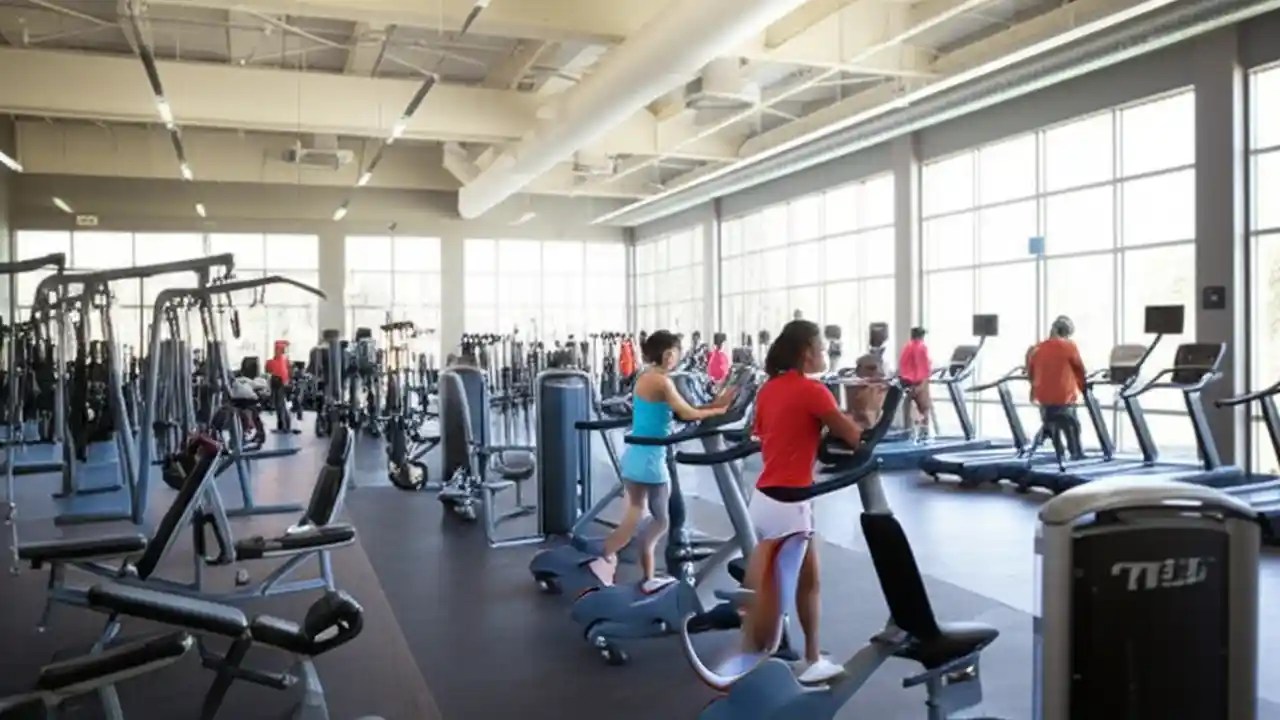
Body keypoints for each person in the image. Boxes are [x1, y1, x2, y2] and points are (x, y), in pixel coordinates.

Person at [739, 320, 865, 685]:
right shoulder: (813, 391)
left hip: (762, 498)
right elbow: (854, 438)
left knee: (789, 582)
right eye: (821, 347)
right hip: (790, 502)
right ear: (806, 351)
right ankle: (803, 661)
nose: (825, 353)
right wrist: (866, 414)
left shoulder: (768, 390)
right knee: (800, 587)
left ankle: (799, 654)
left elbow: (768, 432)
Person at [590, 330, 735, 592]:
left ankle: (646, 577)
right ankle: (603, 558)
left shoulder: (645, 377)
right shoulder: (662, 382)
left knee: (640, 516)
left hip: (636, 456)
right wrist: (721, 409)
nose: (678, 357)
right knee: (655, 521)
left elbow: (685, 409)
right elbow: (687, 412)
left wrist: (715, 404)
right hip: (651, 461)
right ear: (669, 354)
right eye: (677, 352)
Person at [1027, 316, 1087, 460]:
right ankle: (1076, 453)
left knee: (1051, 422)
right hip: (1063, 398)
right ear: (1066, 333)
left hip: (1043, 398)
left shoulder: (1036, 349)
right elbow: (1079, 369)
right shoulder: (1069, 346)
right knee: (1072, 425)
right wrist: (1083, 388)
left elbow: (1031, 373)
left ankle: (1059, 452)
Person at [897, 327, 933, 442]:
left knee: (908, 412)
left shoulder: (907, 347)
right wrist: (922, 384)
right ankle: (924, 436)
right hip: (918, 381)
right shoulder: (921, 347)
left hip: (906, 382)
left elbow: (903, 365)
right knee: (925, 409)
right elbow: (922, 366)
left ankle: (908, 435)